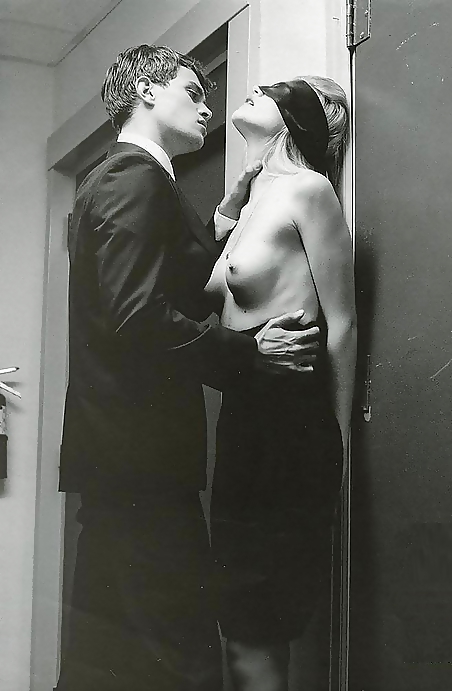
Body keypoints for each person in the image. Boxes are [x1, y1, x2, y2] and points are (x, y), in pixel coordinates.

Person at [56, 46, 320, 691]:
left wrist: (225, 214)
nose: (208, 107)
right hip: (141, 464)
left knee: (103, 659)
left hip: (117, 459)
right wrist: (248, 353)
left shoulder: (112, 177)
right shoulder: (136, 178)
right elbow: (136, 315)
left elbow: (161, 285)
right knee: (183, 658)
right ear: (147, 91)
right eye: (192, 91)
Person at [206, 76, 356, 690]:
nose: (253, 91)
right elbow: (202, 293)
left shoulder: (309, 190)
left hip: (291, 415)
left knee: (262, 613)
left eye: (270, 91)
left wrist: (338, 437)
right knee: (238, 608)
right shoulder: (248, 206)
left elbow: (342, 322)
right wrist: (228, 208)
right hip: (243, 411)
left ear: (295, 118)